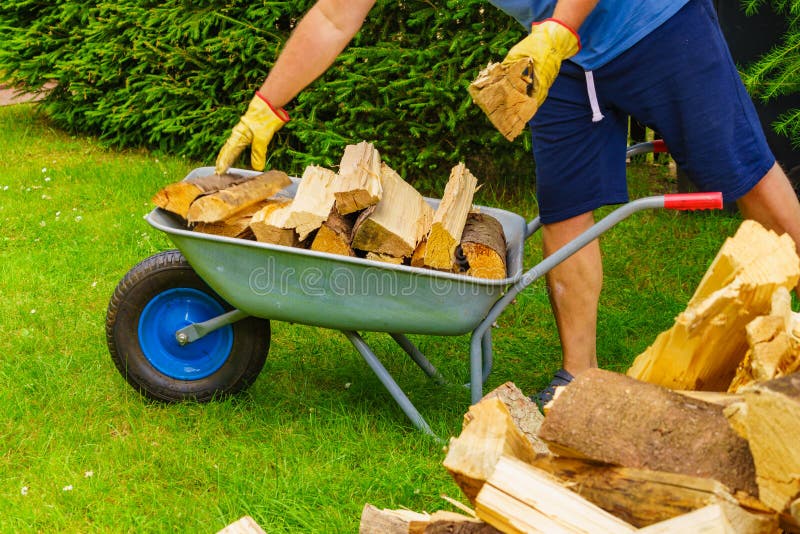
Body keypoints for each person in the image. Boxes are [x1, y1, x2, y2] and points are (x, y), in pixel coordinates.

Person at [215, 0, 800, 406]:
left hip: (654, 23)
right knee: (566, 201)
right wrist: (269, 101)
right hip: (558, 48)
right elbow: (333, 15)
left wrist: (560, 27)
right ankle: (579, 374)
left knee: (744, 176)